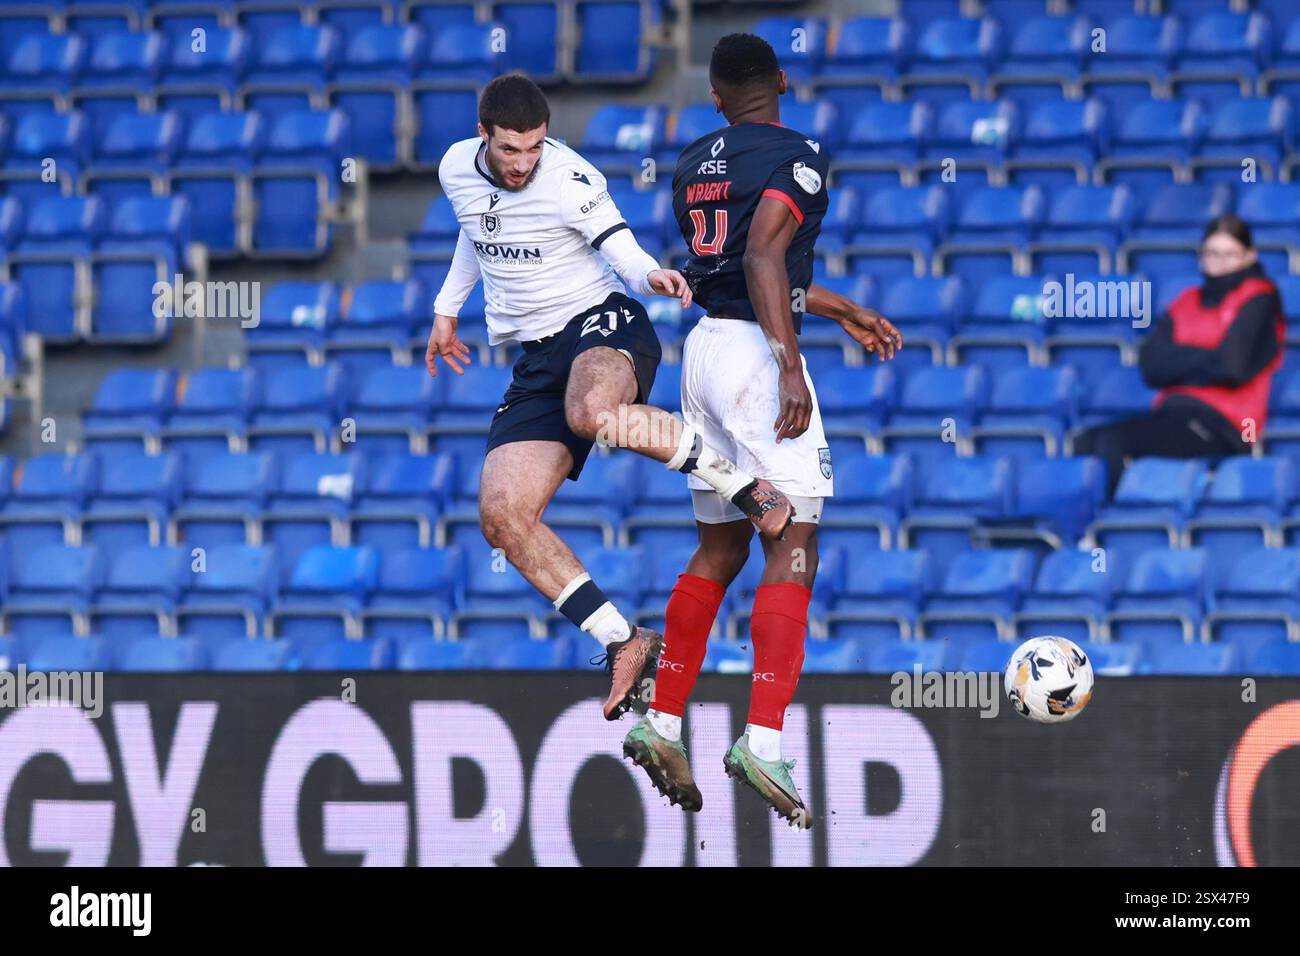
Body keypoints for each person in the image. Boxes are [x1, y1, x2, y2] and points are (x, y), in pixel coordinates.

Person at [429, 73, 798, 723]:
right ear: (484, 135)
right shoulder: (456, 166)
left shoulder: (569, 178)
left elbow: (617, 245)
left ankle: (745, 486)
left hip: (604, 323)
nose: (523, 164)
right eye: (511, 151)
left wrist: (651, 272)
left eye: (535, 149)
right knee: (502, 515)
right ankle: (624, 641)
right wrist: (446, 308)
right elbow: (474, 225)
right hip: (538, 358)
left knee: (593, 414)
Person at [620, 34, 902, 826]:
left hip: (703, 353)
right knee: (795, 539)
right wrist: (787, 364)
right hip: (754, 358)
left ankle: (664, 718)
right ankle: (765, 738)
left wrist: (838, 309)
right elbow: (763, 261)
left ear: (714, 96)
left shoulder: (690, 163)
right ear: (781, 79)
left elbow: (740, 267)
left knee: (721, 545)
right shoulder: (800, 154)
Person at [1073, 214, 1285, 497]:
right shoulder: (1186, 301)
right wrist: (1211, 356)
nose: (1220, 262)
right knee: (1086, 442)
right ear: (1201, 258)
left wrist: (1181, 361)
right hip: (1174, 415)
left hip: (1225, 426)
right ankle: (1085, 532)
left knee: (1114, 443)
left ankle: (1105, 525)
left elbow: (1234, 367)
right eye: (1212, 253)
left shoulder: (1259, 299)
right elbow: (1151, 366)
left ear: (1249, 256)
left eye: (1230, 254)